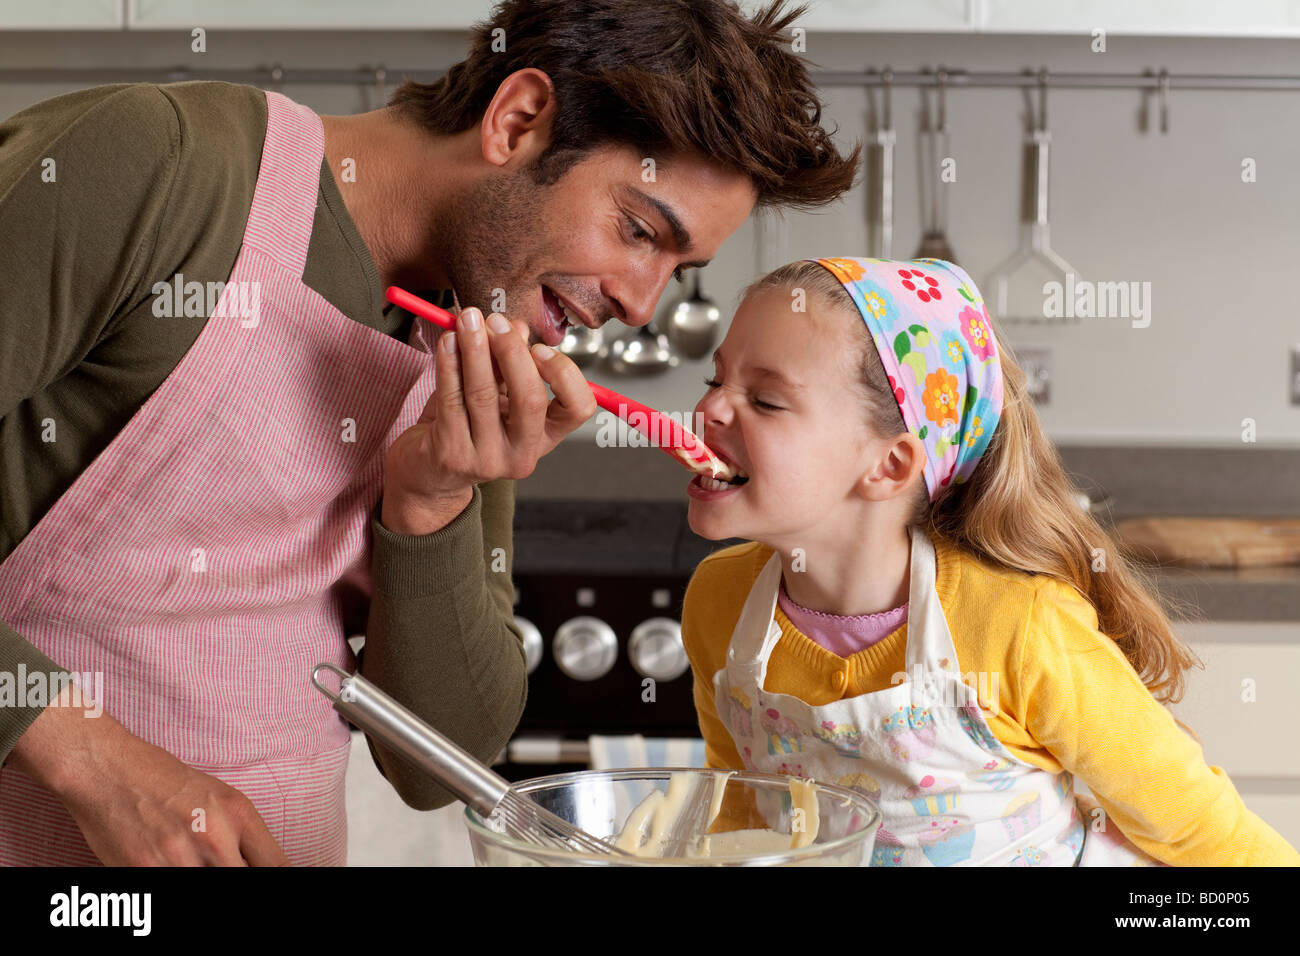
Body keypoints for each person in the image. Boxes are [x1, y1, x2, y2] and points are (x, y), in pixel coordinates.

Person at [0, 0, 860, 865]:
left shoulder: (480, 332)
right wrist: (89, 759)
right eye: (638, 231)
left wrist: (433, 500)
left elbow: (436, 764)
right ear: (517, 121)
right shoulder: (159, 165)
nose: (641, 303)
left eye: (678, 270)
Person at [680, 255, 1300, 865]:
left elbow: (1198, 826)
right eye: (715, 381)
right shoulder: (718, 601)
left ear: (888, 465)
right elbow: (740, 807)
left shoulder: (1019, 626)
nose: (708, 410)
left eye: (765, 400)